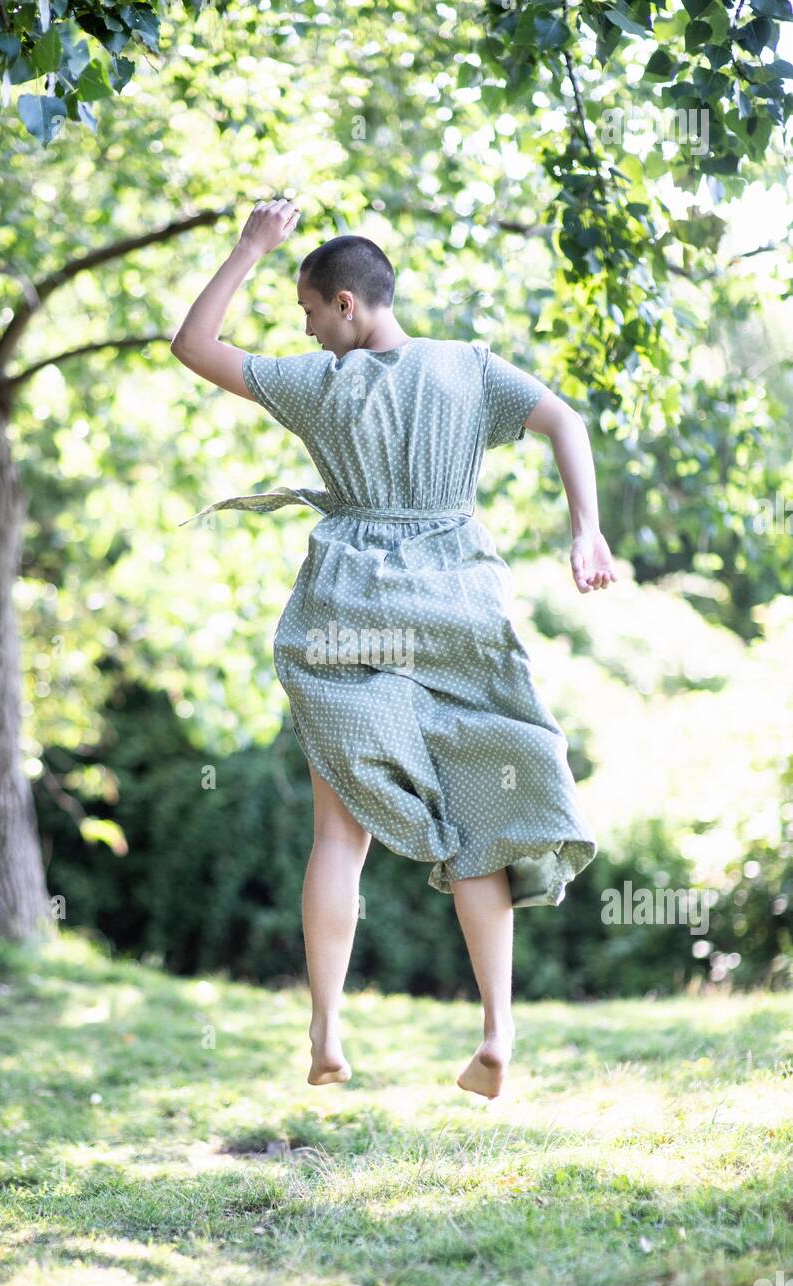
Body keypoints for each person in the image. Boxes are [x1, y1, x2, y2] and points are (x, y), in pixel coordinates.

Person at [171, 198, 617, 1100]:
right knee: (481, 827)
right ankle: (496, 1034)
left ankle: (327, 1033)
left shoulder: (319, 385)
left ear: (344, 305)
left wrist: (251, 246)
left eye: (306, 311)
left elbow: (193, 344)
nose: (303, 328)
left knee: (339, 835)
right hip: (458, 602)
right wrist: (587, 532)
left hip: (350, 608)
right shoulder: (469, 369)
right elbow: (568, 422)